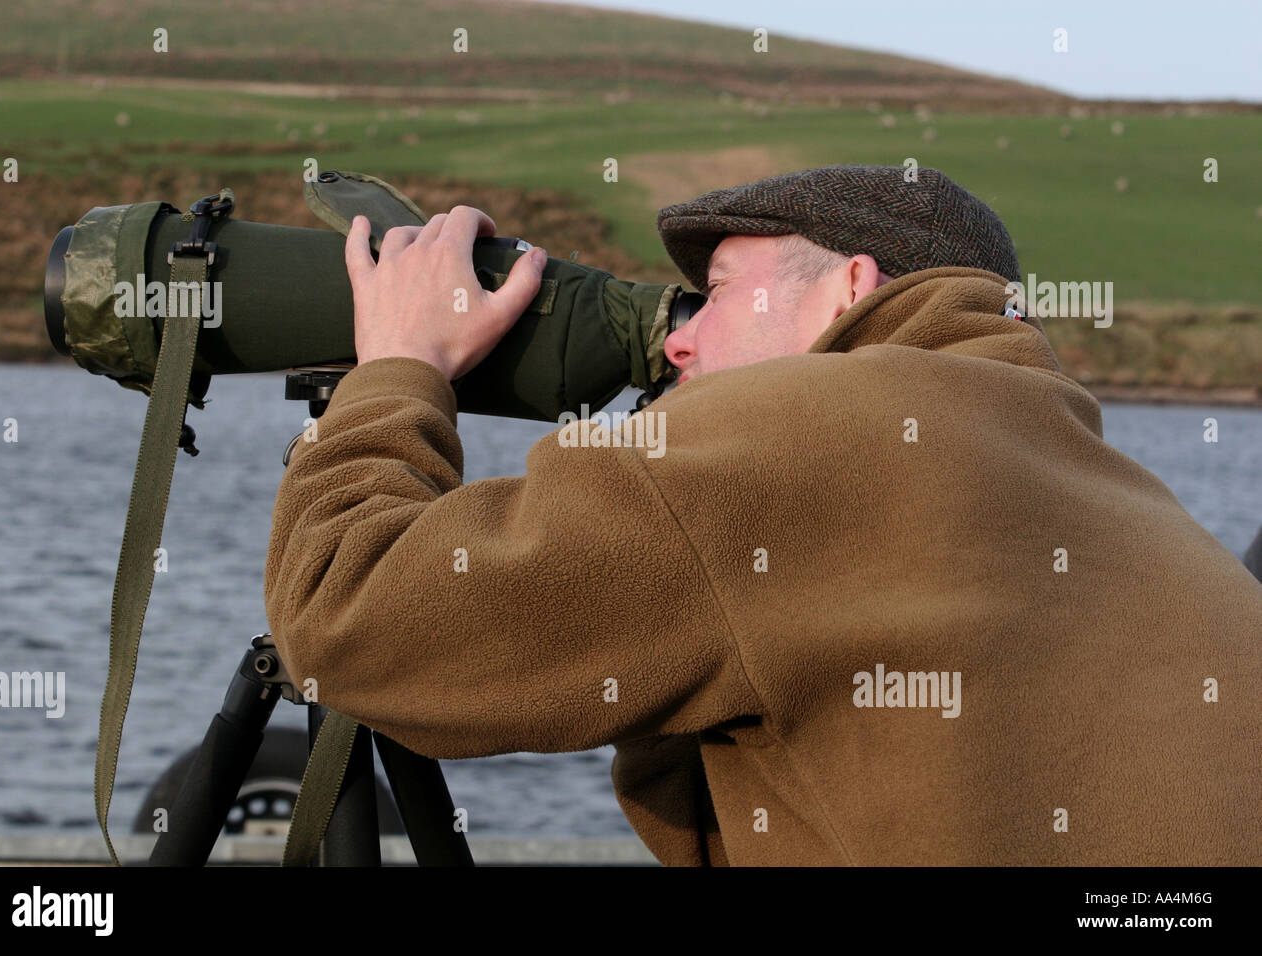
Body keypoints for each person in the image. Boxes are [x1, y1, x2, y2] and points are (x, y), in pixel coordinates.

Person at [264, 164, 1262, 866]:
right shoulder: (1116, 488)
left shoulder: (810, 433)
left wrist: (397, 366)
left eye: (716, 295)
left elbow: (347, 616)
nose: (678, 344)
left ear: (851, 286)